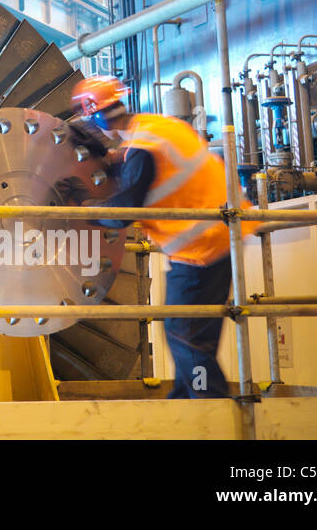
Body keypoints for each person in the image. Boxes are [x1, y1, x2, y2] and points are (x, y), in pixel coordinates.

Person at [70, 75, 254, 400]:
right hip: (220, 238)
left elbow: (125, 210)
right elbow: (147, 178)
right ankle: (185, 404)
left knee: (186, 335)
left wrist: (82, 208)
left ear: (95, 116)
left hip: (201, 250)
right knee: (193, 334)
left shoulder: (142, 146)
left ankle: (210, 411)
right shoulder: (157, 128)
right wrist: (110, 161)